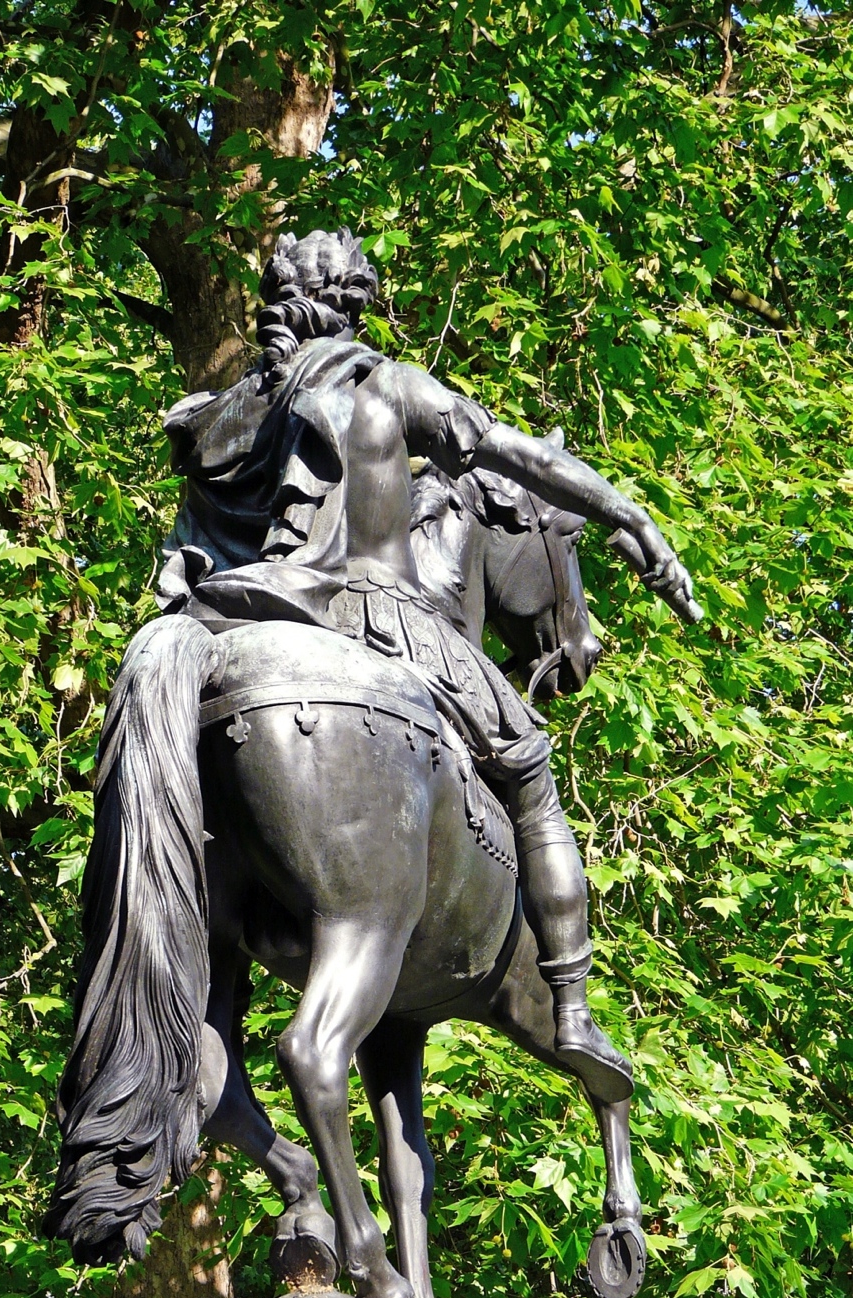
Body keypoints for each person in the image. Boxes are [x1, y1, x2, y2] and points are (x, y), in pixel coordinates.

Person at [157, 229, 700, 1103]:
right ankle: (572, 1008)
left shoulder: (224, 415)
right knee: (532, 772)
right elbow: (526, 460)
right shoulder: (380, 384)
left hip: (229, 626)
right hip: (380, 618)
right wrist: (630, 518)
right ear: (354, 307)